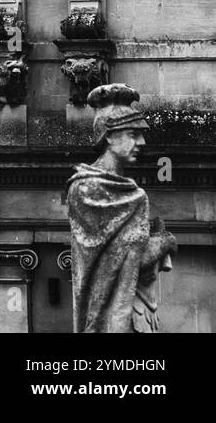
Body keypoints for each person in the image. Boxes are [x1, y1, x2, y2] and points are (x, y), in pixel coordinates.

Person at [65, 83, 177, 333]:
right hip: (111, 319)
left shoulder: (132, 192)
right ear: (108, 136)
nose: (142, 141)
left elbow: (130, 256)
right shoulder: (85, 189)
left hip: (136, 312)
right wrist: (164, 241)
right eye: (133, 134)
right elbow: (125, 258)